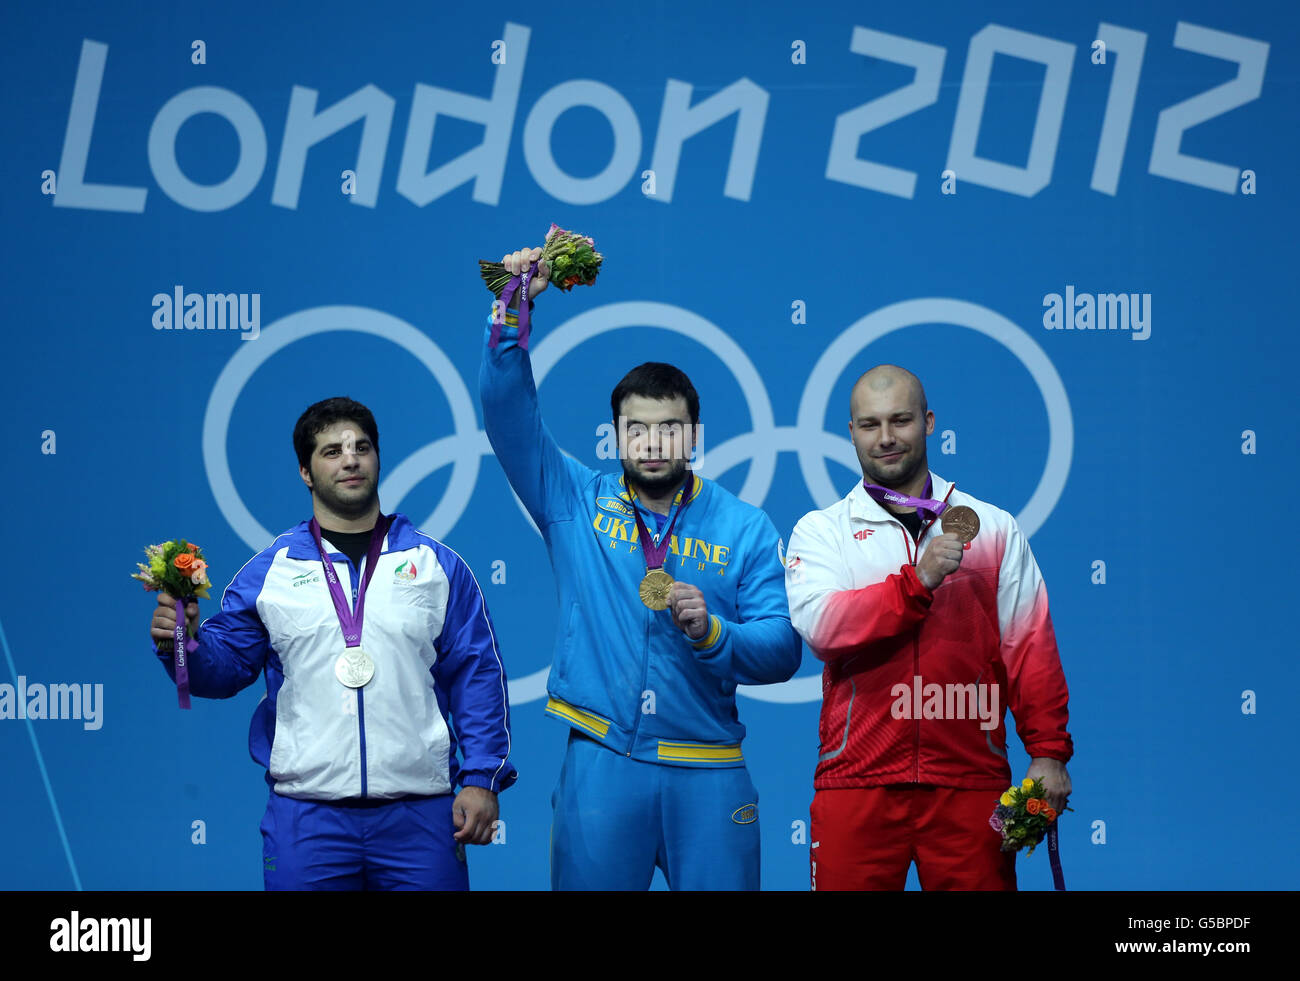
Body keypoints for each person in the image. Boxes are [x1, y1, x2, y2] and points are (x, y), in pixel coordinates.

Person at [479, 246, 802, 890]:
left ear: (695, 435)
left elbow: (783, 650)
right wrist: (514, 308)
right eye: (637, 430)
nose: (653, 444)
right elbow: (508, 414)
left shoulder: (744, 526)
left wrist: (714, 634)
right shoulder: (573, 500)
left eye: (671, 429)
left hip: (709, 764)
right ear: (616, 436)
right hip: (603, 762)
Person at [148, 397, 515, 890]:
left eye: (362, 447)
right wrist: (183, 643)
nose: (350, 460)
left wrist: (480, 780)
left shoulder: (437, 567)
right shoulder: (270, 572)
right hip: (307, 818)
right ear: (305, 471)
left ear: (378, 459)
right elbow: (222, 669)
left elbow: (478, 677)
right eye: (331, 451)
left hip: (422, 815)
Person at [784, 365, 1073, 890]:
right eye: (869, 425)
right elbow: (824, 629)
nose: (887, 438)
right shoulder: (822, 531)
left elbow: (1029, 649)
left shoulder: (994, 528)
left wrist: (1048, 753)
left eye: (901, 420)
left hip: (970, 783)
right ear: (850, 433)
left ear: (929, 421)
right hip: (858, 782)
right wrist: (916, 582)